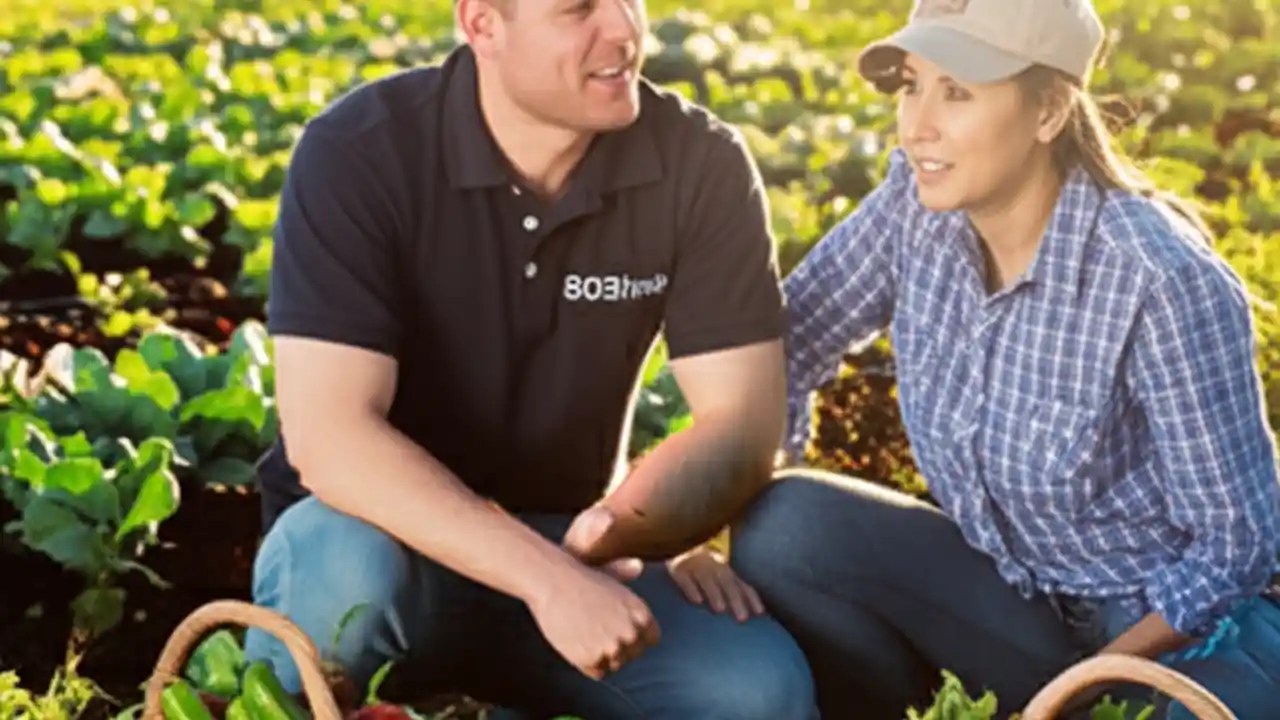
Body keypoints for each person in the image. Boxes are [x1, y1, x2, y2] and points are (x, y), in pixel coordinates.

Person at [241, 0, 818, 717]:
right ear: (483, 24)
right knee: (343, 573)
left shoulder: (700, 162)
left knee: (759, 691)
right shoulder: (360, 150)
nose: (624, 29)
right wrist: (545, 579)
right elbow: (330, 439)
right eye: (578, 8)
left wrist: (647, 526)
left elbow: (741, 424)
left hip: (580, 545)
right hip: (386, 544)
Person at [727, 0, 1280, 718]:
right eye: (910, 85)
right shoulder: (914, 208)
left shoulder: (1159, 279)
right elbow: (788, 339)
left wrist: (1079, 689)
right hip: (1011, 601)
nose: (918, 124)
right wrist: (707, 506)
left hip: (1170, 628)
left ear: (1049, 110)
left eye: (957, 91)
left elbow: (1238, 542)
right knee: (784, 527)